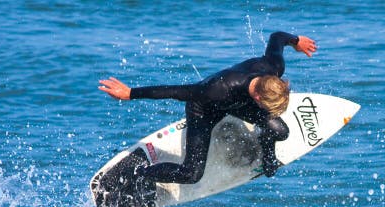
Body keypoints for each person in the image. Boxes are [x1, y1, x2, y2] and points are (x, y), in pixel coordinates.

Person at [98, 32, 317, 191]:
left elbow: (277, 37)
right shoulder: (218, 89)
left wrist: (296, 41)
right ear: (259, 98)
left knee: (280, 131)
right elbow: (176, 91)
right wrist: (130, 93)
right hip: (204, 109)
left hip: (241, 104)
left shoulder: (274, 67)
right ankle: (139, 173)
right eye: (267, 108)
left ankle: (267, 151)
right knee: (191, 174)